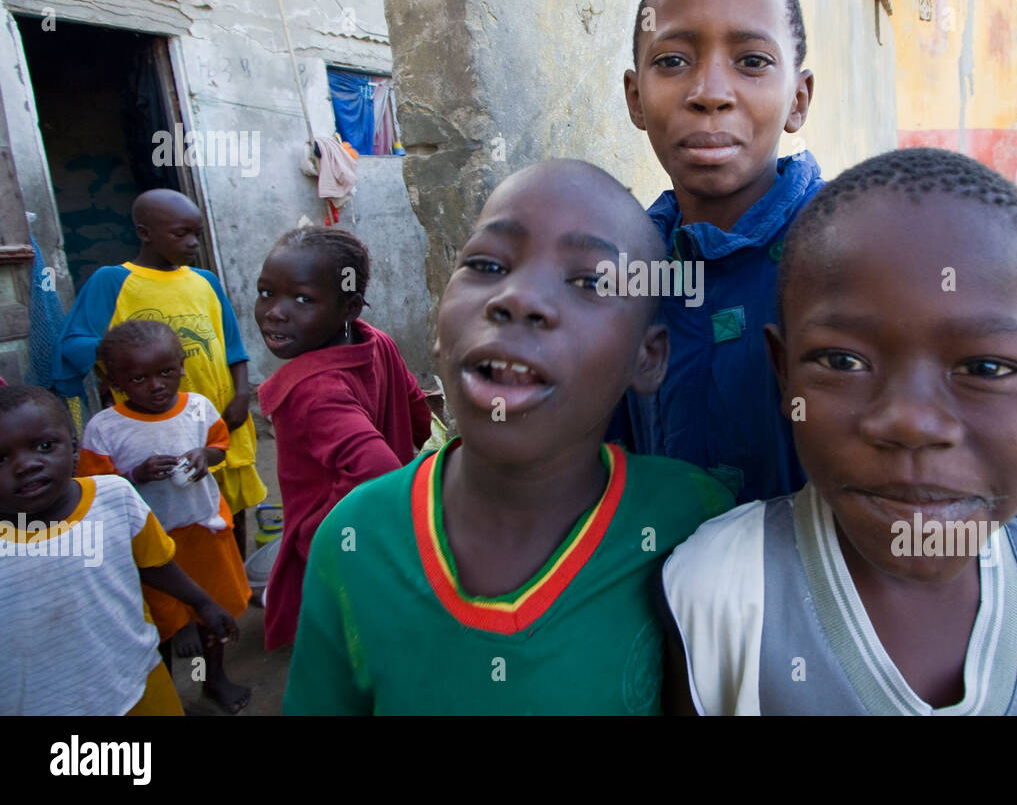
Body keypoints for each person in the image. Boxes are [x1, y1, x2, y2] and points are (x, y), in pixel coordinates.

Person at [661, 148, 1017, 715]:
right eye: (843, 361)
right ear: (785, 376)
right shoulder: (717, 595)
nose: (910, 423)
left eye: (984, 369)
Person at [616, 0, 1017, 518]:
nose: (710, 92)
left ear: (799, 99)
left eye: (752, 61)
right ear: (634, 97)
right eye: (673, 61)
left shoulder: (868, 253)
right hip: (661, 600)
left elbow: (998, 417)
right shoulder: (624, 272)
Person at [282, 160, 734, 714]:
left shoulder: (692, 520)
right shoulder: (353, 540)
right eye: (487, 264)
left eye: (590, 281)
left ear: (647, 357)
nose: (518, 298)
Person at [0, 385, 238, 715]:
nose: (25, 465)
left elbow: (154, 564)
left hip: (140, 679)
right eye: (1, 458)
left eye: (43, 446)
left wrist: (201, 602)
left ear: (73, 445)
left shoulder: (113, 496)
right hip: (43, 703)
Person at [54, 188, 267, 552]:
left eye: (196, 235)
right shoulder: (112, 282)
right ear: (144, 232)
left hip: (216, 415)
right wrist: (127, 356)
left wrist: (242, 393)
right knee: (168, 506)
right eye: (180, 234)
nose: (192, 244)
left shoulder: (205, 282)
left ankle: (237, 580)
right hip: (152, 425)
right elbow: (74, 343)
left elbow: (232, 346)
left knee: (229, 501)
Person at [254, 226, 433, 650]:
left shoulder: (313, 391)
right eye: (266, 293)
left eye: (303, 299)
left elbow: (376, 469)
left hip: (341, 552)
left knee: (343, 651)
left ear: (349, 307)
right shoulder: (376, 343)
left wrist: (313, 532)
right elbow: (420, 416)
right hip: (384, 540)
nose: (275, 312)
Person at [77, 320, 252, 713]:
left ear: (181, 366)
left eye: (166, 372)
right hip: (147, 549)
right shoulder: (105, 429)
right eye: (139, 378)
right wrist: (135, 474)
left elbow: (219, 447)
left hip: (204, 530)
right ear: (115, 381)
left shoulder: (197, 408)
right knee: (163, 626)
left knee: (213, 613)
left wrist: (204, 458)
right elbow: (93, 490)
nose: (156, 385)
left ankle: (213, 679)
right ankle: (171, 695)